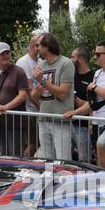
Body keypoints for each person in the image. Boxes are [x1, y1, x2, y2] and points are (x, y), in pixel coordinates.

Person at [30, 32, 75, 161]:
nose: (36, 48)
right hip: (44, 119)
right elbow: (34, 96)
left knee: (63, 161)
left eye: (38, 45)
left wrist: (43, 81)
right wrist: (39, 87)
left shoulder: (66, 63)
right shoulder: (40, 66)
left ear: (47, 46)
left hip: (60, 120)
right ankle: (50, 181)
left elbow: (62, 93)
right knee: (48, 162)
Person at [0, 42, 28, 156]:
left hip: (15, 122)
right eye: (2, 54)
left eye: (7, 53)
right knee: (3, 154)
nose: (5, 56)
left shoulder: (19, 72)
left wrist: (5, 107)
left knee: (15, 155)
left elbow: (23, 95)